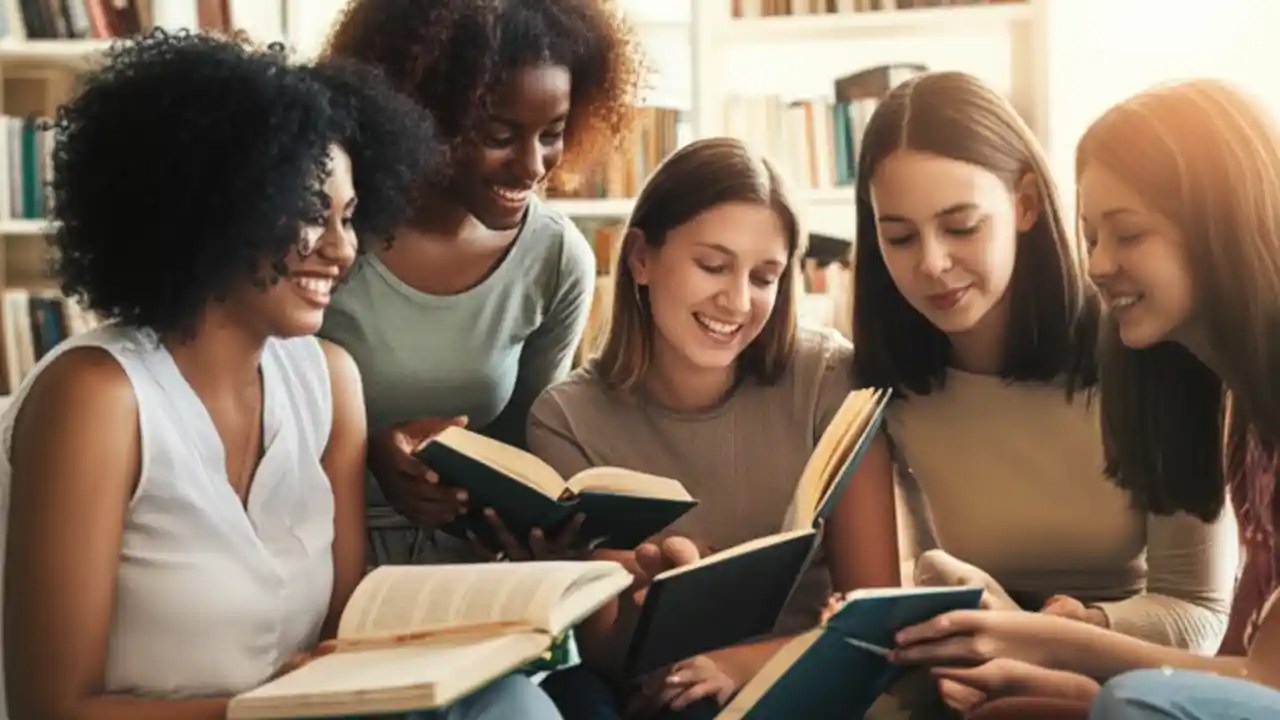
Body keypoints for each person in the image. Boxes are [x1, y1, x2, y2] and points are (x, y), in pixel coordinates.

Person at [0, 31, 556, 720]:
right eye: (306, 214)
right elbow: (50, 709)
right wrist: (271, 711)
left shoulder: (328, 382)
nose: (341, 247)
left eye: (349, 216)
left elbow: (337, 643)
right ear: (212, 206)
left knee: (515, 706)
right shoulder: (97, 397)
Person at [886, 78, 1280, 720]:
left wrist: (1047, 640)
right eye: (1092, 236)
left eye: (1128, 234)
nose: (1096, 264)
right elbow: (1231, 680)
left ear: (1223, 224)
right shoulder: (1242, 419)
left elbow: (1261, 685)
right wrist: (1058, 682)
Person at [527, 136, 902, 718]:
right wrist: (647, 604)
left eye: (764, 276)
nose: (737, 301)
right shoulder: (568, 418)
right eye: (713, 265)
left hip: (804, 682)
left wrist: (743, 664)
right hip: (660, 698)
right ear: (640, 259)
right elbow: (605, 652)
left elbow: (878, 620)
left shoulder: (828, 379)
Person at [319, 0, 645, 566]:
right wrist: (368, 452)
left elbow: (530, 454)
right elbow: (253, 423)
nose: (533, 166)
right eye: (499, 134)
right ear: (419, 115)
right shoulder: (333, 236)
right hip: (322, 555)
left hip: (470, 574)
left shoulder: (554, 255)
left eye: (553, 132)